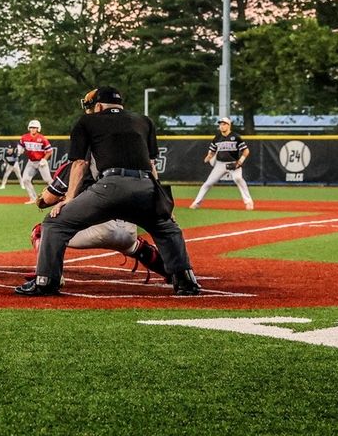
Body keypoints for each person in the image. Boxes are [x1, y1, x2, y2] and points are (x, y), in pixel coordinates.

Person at [16, 86, 200, 297]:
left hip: (110, 186)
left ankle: (46, 281)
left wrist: (68, 199)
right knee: (166, 227)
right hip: (146, 186)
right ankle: (187, 281)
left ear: (99, 106)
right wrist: (163, 202)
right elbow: (151, 165)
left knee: (54, 224)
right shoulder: (144, 121)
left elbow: (79, 163)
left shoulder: (87, 121)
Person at [28, 159, 168, 281]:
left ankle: (49, 275)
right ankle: (173, 273)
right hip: (127, 232)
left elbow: (45, 201)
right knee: (136, 245)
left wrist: (62, 196)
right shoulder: (127, 167)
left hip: (97, 230)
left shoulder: (78, 165)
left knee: (42, 231)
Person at [189, 117, 254, 210]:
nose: (221, 126)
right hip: (220, 164)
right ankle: (196, 203)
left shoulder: (235, 137)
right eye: (220, 124)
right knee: (207, 183)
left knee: (238, 178)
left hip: (233, 163)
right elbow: (212, 151)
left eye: (224, 124)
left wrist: (240, 162)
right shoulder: (217, 138)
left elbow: (246, 151)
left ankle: (248, 202)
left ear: (229, 125)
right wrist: (209, 156)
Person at [18, 119, 54, 204]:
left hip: (41, 162)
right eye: (31, 127)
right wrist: (20, 149)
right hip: (31, 162)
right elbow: (20, 145)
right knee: (25, 179)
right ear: (29, 128)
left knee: (48, 180)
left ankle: (58, 194)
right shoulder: (24, 137)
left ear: (38, 128)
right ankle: (33, 198)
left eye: (35, 128)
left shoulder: (42, 139)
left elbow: (50, 151)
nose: (33, 129)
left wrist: (44, 159)